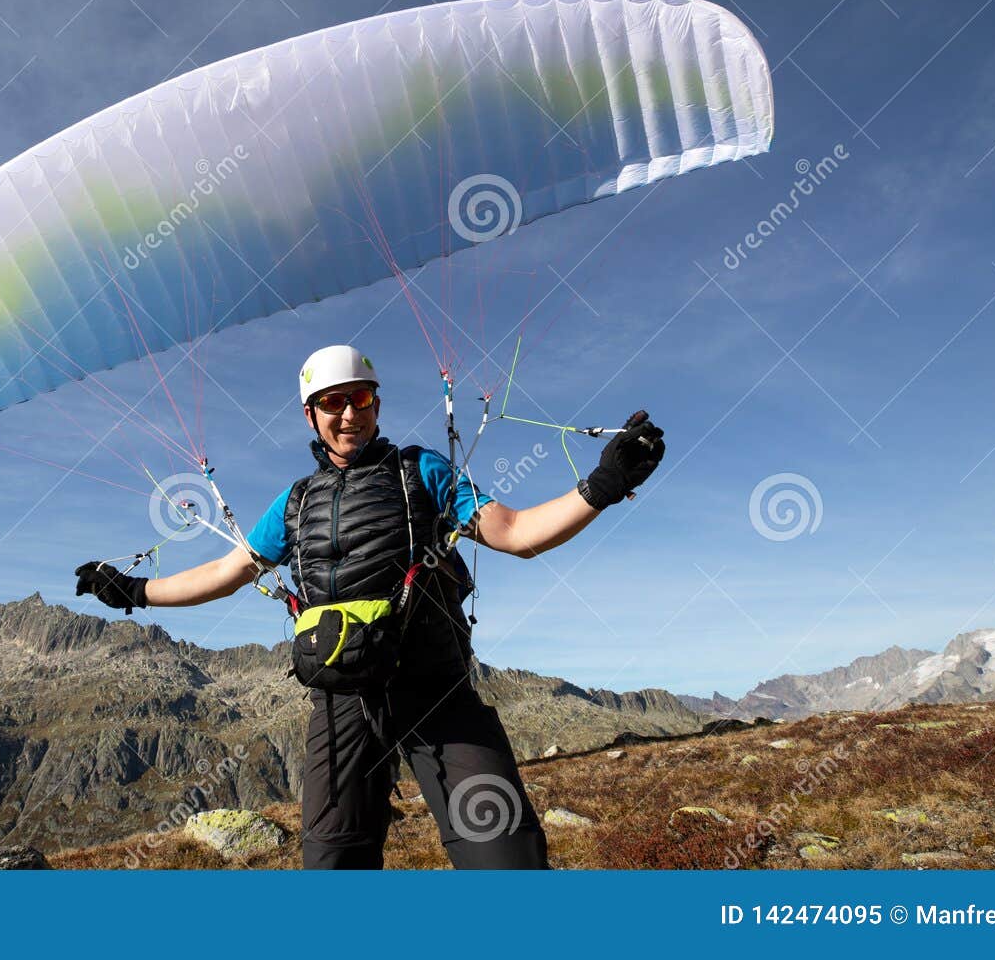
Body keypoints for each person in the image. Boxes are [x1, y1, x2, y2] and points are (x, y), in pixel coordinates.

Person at [76, 345, 664, 869]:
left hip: (434, 690)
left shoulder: (419, 472)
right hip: (340, 700)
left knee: (503, 855)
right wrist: (134, 591)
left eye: (360, 398)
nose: (349, 414)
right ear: (311, 414)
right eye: (332, 403)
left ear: (376, 405)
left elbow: (515, 533)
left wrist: (603, 485)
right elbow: (228, 572)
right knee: (334, 863)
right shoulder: (294, 502)